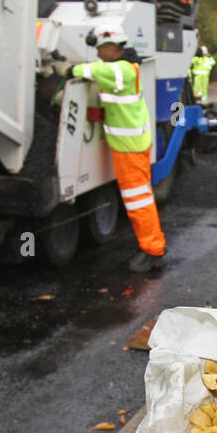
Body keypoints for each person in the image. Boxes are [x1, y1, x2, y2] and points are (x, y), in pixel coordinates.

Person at [67, 23, 166, 272]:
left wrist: (67, 69)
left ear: (112, 48)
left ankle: (153, 250)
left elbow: (95, 71)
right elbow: (115, 104)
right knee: (139, 200)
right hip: (129, 145)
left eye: (101, 49)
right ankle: (152, 246)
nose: (99, 54)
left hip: (130, 148)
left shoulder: (122, 70)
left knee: (138, 201)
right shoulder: (125, 69)